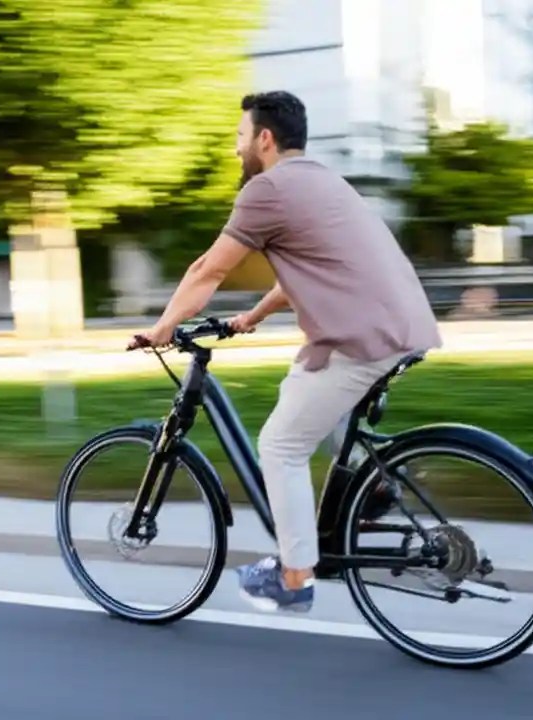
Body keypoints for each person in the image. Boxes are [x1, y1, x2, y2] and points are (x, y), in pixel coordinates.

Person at [132, 90, 442, 613]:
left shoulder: (266, 190)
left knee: (280, 445)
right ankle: (376, 493)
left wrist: (165, 326)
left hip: (360, 336)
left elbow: (208, 269)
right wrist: (252, 316)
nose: (236, 150)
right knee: (305, 391)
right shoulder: (323, 180)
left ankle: (295, 577)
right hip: (401, 325)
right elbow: (314, 266)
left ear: (265, 139)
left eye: (239, 138)